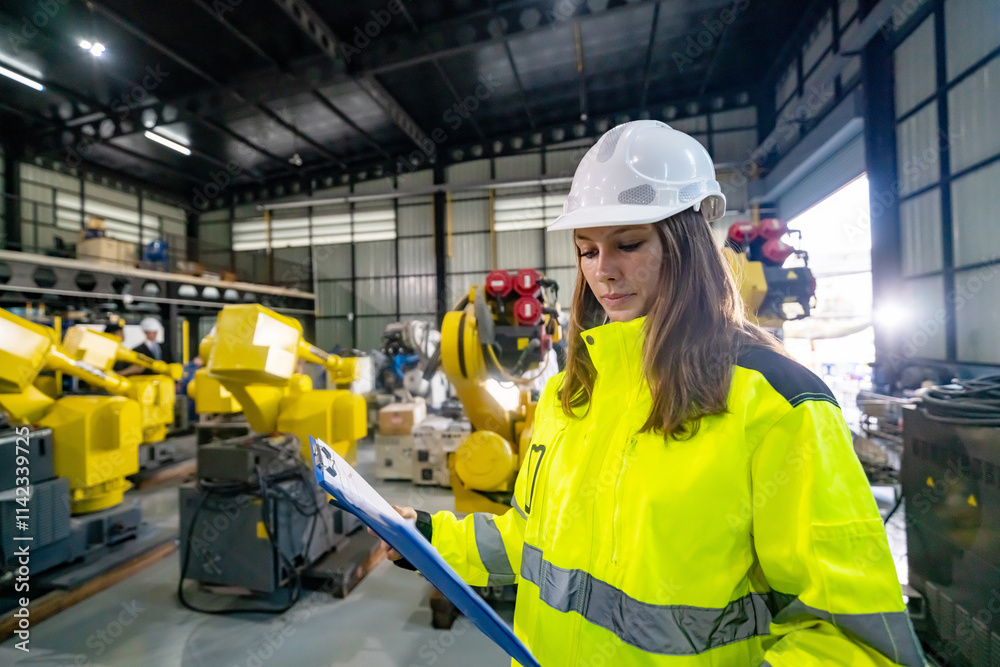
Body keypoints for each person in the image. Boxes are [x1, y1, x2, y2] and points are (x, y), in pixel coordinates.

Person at [384, 121, 925, 666]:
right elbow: (531, 539)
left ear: (687, 244)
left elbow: (855, 640)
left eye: (629, 244)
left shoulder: (775, 404)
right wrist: (425, 537)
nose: (604, 272)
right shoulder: (570, 396)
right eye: (586, 250)